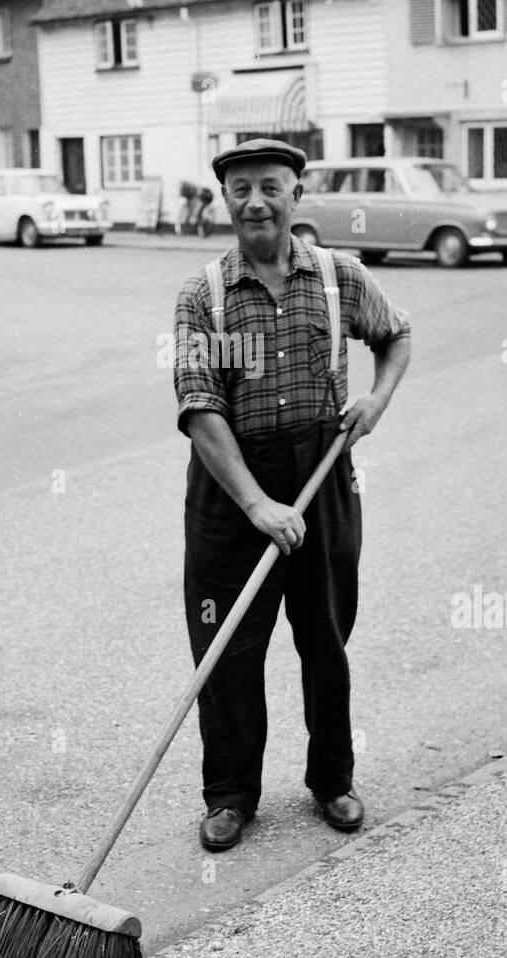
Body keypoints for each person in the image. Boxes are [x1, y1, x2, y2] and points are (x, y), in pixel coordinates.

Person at [173, 138, 411, 851]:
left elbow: (396, 338)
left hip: (323, 474)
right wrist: (257, 506)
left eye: (270, 187)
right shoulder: (205, 294)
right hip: (231, 489)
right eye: (240, 189)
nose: (255, 202)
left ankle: (332, 779)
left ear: (295, 195)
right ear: (226, 201)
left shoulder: (341, 278)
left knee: (326, 639)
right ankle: (230, 797)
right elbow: (200, 409)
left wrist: (376, 401)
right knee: (226, 648)